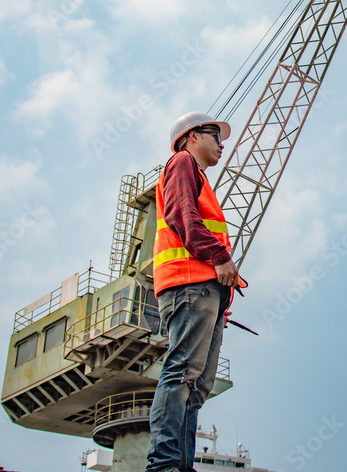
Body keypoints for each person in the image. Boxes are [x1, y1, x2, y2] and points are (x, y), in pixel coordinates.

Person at [145, 111, 246, 472]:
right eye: (215, 136)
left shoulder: (198, 175)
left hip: (207, 290)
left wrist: (221, 293)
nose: (221, 144)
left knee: (197, 386)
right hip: (190, 283)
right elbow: (181, 214)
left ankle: (180, 465)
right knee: (182, 373)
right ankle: (166, 464)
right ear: (191, 137)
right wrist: (219, 257)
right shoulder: (181, 163)